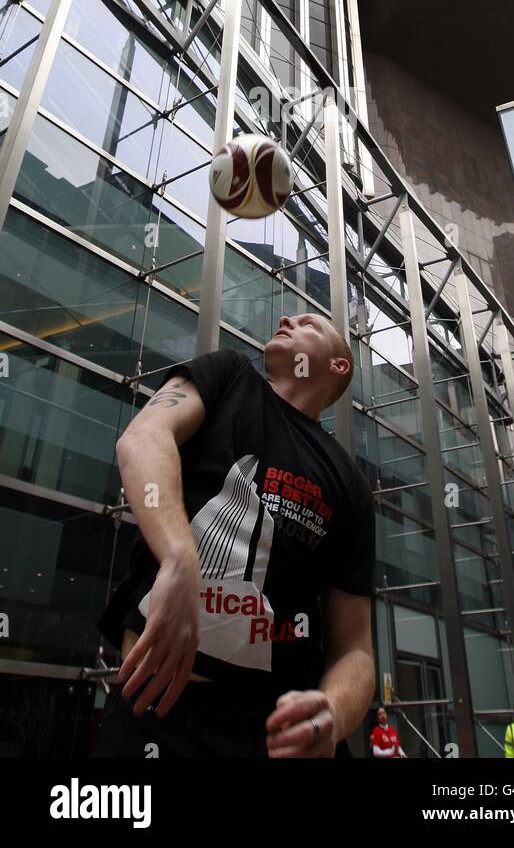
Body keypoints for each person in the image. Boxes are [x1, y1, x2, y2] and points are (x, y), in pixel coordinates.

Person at [91, 313, 376, 759]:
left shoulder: (349, 483)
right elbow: (143, 439)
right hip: (154, 714)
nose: (286, 318)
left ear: (338, 366)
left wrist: (333, 716)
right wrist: (179, 557)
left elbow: (354, 648)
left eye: (309, 324)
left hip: (277, 737)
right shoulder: (229, 376)